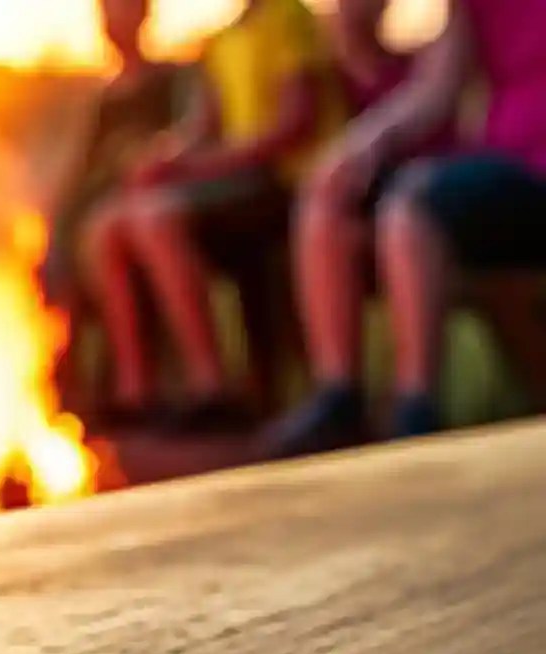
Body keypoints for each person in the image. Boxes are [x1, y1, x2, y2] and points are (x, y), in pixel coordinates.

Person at [268, 0, 546, 455]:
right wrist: (365, 142)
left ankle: (417, 408)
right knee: (330, 200)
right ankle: (340, 395)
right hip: (503, 170)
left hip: (537, 175)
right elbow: (435, 88)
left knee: (412, 205)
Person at [80, 0, 346, 429]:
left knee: (155, 219)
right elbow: (203, 128)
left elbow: (293, 125)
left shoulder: (289, 16)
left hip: (285, 182)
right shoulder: (221, 40)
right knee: (110, 226)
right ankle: (137, 391)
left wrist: (203, 166)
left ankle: (213, 387)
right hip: (238, 182)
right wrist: (163, 160)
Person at [45, 0, 182, 416]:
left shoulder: (169, 82)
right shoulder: (105, 99)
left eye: (119, 10)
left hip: (144, 207)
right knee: (50, 261)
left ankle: (136, 387)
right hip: (96, 214)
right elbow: (79, 176)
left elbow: (174, 146)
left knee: (105, 237)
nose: (110, 24)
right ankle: (66, 392)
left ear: (144, 15)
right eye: (105, 14)